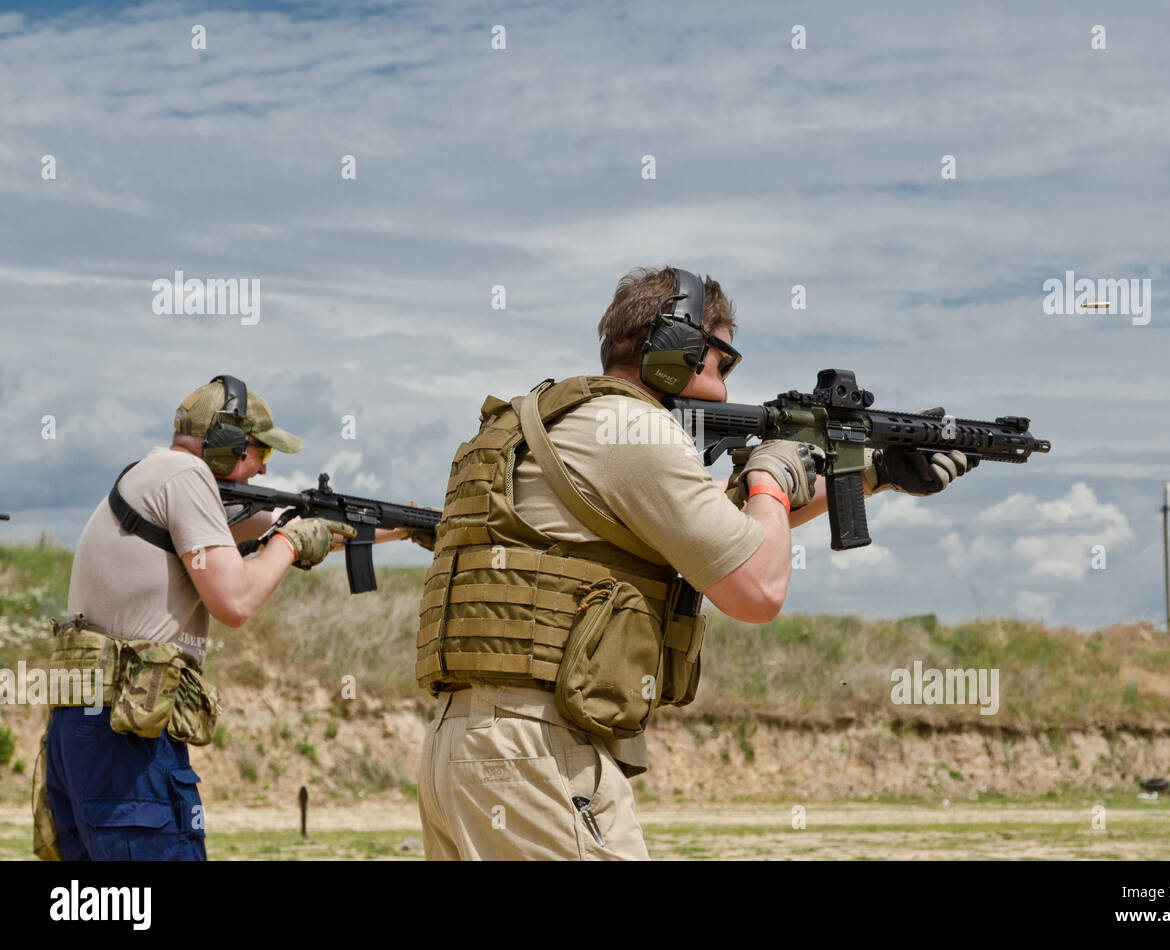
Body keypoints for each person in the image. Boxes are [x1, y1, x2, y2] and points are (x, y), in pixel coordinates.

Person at [414, 267, 975, 860]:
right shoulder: (635, 429)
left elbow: (723, 535)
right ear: (678, 350)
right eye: (722, 363)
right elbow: (756, 590)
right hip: (540, 751)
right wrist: (769, 476)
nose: (729, 389)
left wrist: (872, 472)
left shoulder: (558, 422)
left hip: (468, 745)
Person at [34, 374, 403, 861]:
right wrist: (290, 548)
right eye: (259, 454)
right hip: (128, 738)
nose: (261, 470)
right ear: (227, 444)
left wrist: (397, 528)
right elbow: (235, 601)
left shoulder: (151, 475)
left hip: (86, 731)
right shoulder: (186, 478)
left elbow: (280, 521)